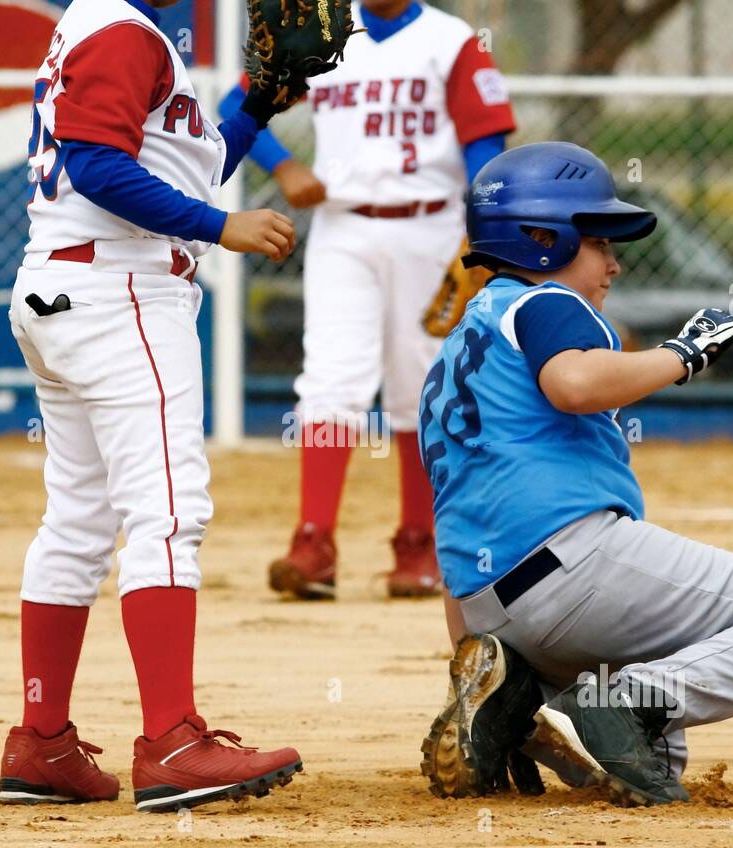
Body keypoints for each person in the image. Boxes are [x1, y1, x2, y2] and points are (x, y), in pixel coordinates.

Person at [417, 142, 733, 806]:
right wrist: (684, 353)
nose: (614, 263)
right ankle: (613, 701)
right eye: (598, 241)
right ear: (542, 239)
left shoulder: (454, 356)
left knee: (655, 757)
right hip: (573, 570)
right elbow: (574, 382)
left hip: (493, 611)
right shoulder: (542, 303)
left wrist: (476, 654)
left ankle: (522, 706)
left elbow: (451, 518)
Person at [0, 0, 304, 813]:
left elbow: (188, 169)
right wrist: (220, 226)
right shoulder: (123, 29)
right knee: (167, 513)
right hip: (118, 288)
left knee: (78, 521)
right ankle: (172, 739)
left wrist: (260, 101)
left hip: (76, 284)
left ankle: (42, 743)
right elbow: (100, 165)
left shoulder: (116, 26)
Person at [219, 0, 516, 599]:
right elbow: (237, 103)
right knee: (331, 379)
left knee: (423, 384)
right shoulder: (323, 32)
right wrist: (282, 166)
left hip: (432, 226)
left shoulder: (450, 39)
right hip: (342, 227)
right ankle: (313, 543)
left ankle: (420, 543)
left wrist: (479, 230)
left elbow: (486, 139)